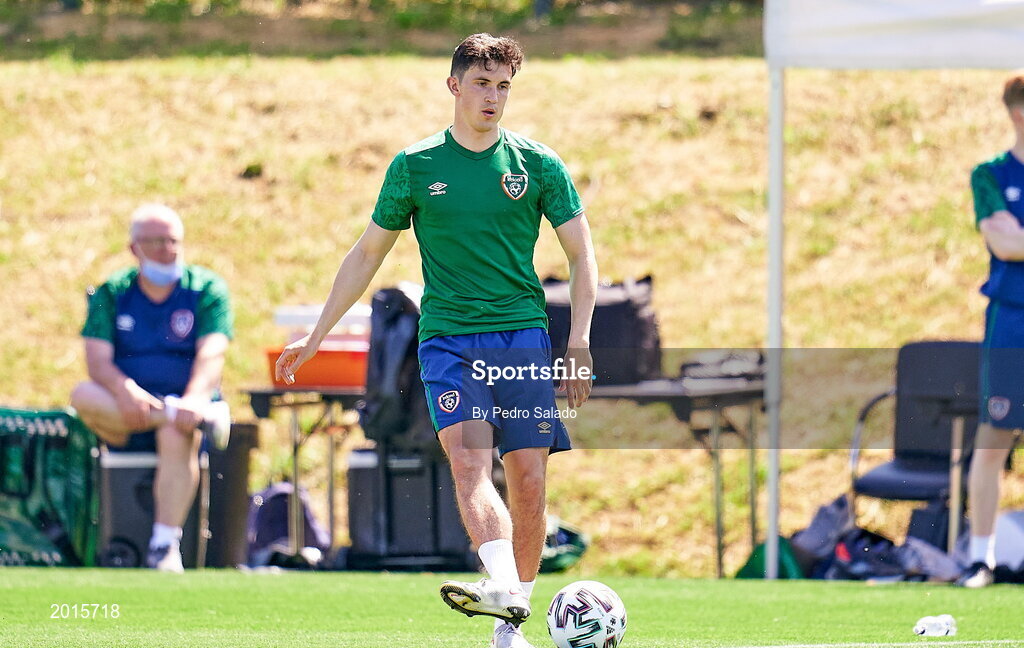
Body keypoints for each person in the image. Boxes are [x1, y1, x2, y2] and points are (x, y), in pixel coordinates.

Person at [276, 33, 597, 648]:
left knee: (528, 478)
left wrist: (577, 342)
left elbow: (583, 255)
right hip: (449, 338)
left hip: (521, 338)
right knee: (471, 464)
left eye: (503, 86)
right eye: (482, 83)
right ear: (454, 86)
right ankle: (502, 584)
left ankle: (510, 627)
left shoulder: (538, 165)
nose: (493, 98)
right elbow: (368, 252)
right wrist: (319, 333)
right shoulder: (415, 167)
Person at [70, 203, 233, 573]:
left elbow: (212, 353)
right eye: (156, 242)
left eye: (173, 241)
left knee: (177, 430)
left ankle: (163, 545)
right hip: (123, 414)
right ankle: (177, 415)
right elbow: (97, 361)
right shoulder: (112, 292)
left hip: (186, 413)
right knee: (82, 395)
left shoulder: (205, 288)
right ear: (134, 248)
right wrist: (124, 389)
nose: (166, 250)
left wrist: (192, 400)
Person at [958, 72, 1024, 588]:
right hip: (1013, 321)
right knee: (994, 436)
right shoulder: (990, 175)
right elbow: (1006, 246)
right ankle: (981, 559)